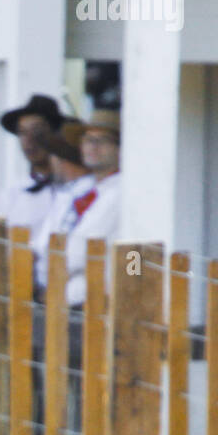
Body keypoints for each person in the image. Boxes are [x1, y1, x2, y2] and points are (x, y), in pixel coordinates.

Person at [63, 109, 121, 307]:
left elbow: (76, 253)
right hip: (75, 297)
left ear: (119, 149)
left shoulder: (119, 192)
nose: (93, 147)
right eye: (88, 140)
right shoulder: (85, 189)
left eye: (103, 140)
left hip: (96, 300)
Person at [31, 118, 91, 294]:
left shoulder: (84, 193)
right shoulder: (69, 192)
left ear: (60, 159)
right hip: (56, 288)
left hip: (69, 291)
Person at [0, 92, 64, 242]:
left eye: (38, 132)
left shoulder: (73, 189)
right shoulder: (13, 193)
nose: (29, 140)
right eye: (22, 133)